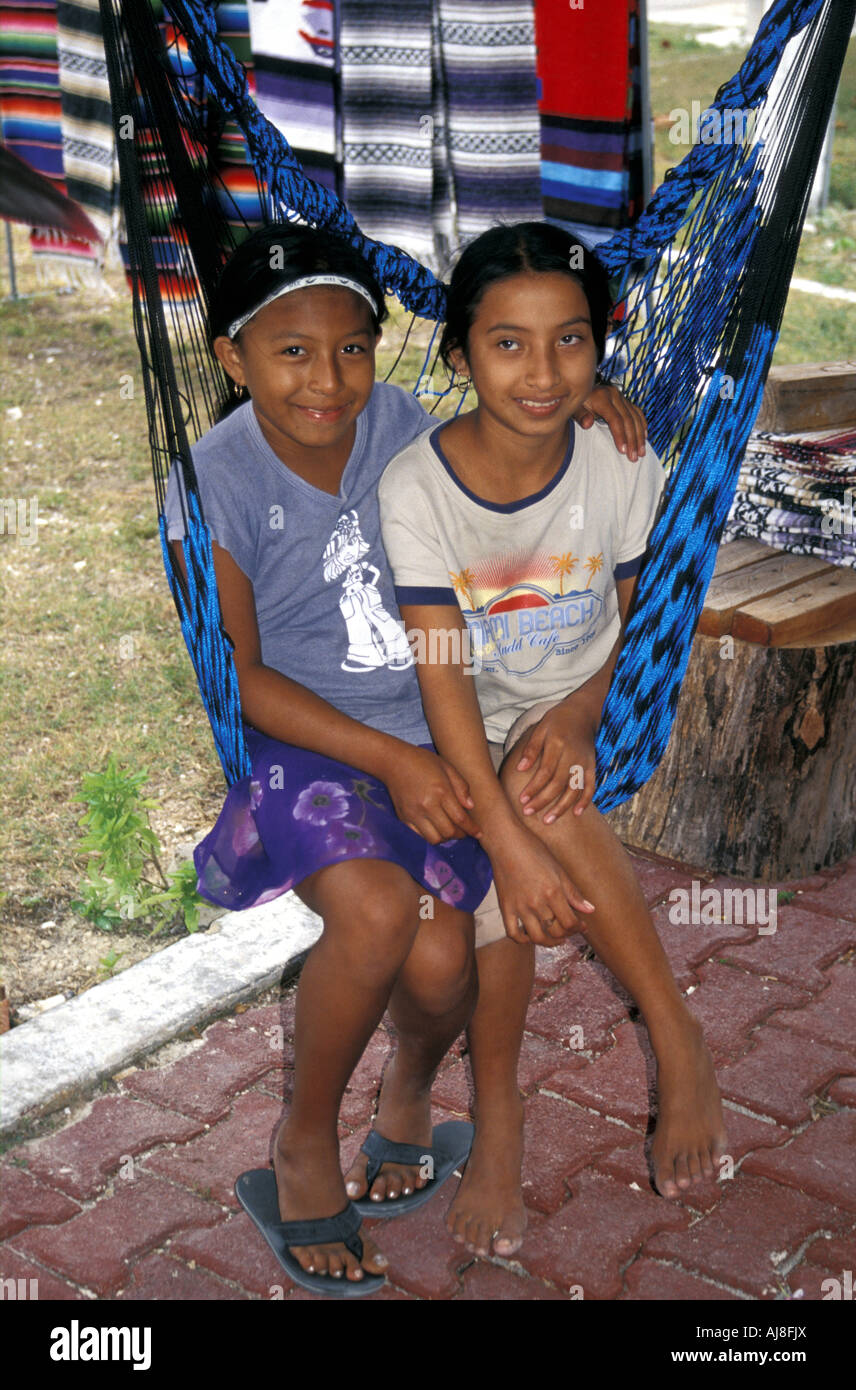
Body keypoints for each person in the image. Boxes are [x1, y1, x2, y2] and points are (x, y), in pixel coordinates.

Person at [164, 221, 647, 1291]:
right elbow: (232, 675)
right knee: (381, 918)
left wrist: (587, 403)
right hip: (313, 747)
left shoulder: (401, 426)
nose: (326, 380)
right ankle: (302, 1142)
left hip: (437, 726)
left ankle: (409, 1094)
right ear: (232, 358)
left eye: (350, 347)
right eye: (289, 352)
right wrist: (387, 758)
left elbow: (510, 442)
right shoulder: (211, 485)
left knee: (437, 968)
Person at [377, 221, 728, 1260]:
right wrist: (512, 839)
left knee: (539, 786)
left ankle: (631, 1059)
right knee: (513, 841)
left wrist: (575, 714)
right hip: (458, 730)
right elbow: (442, 686)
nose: (541, 372)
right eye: (508, 344)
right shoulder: (417, 489)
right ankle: (664, 1036)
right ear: (459, 358)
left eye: (569, 342)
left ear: (599, 348)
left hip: (589, 704)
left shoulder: (620, 456)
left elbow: (640, 629)